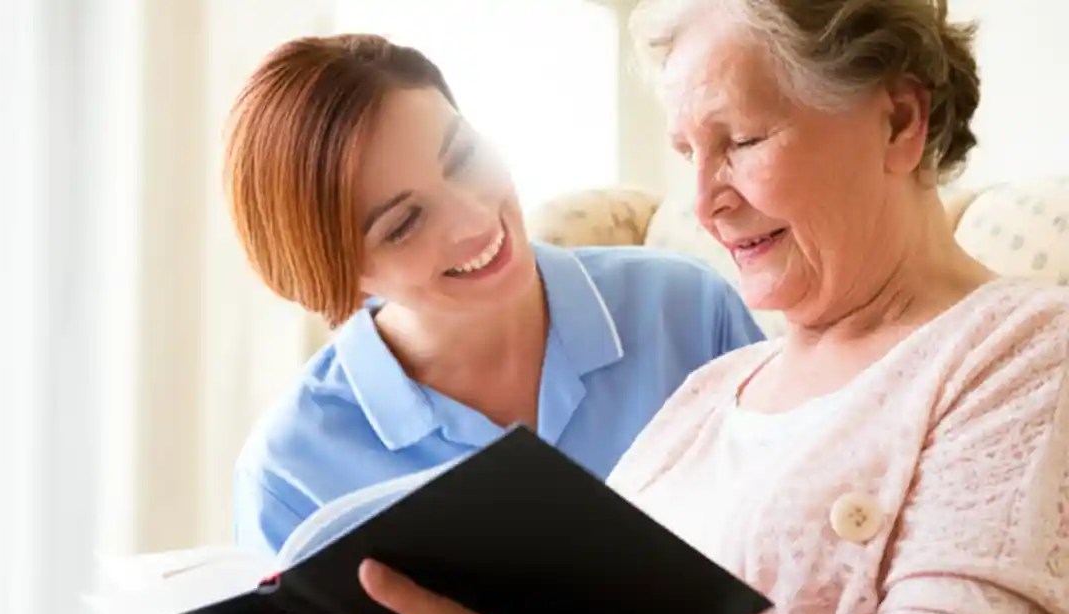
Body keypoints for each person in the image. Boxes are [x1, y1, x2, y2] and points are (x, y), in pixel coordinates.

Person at [128, 1, 1069, 614]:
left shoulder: (1015, 345)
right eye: (686, 154)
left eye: (741, 142)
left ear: (901, 123)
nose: (705, 204)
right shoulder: (715, 392)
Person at [225, 34, 764, 556]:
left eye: (460, 157)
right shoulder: (291, 471)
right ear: (341, 275)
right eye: (405, 223)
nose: (475, 218)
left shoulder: (686, 312)